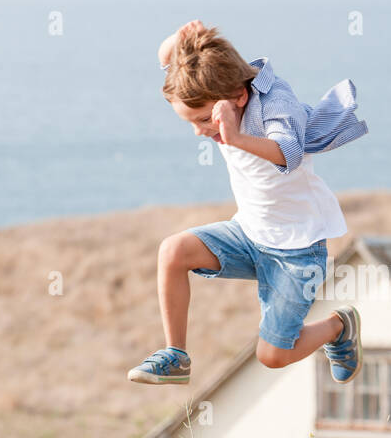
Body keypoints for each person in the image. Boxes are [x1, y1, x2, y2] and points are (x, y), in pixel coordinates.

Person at [128, 20, 367, 387]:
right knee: (173, 251)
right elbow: (165, 57)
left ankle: (339, 326)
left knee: (272, 356)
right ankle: (176, 355)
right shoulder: (216, 87)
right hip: (248, 233)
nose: (200, 130)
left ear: (238, 97)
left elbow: (288, 152)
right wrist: (182, 39)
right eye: (191, 122)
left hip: (296, 251)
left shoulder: (276, 104)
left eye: (204, 119)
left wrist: (235, 137)